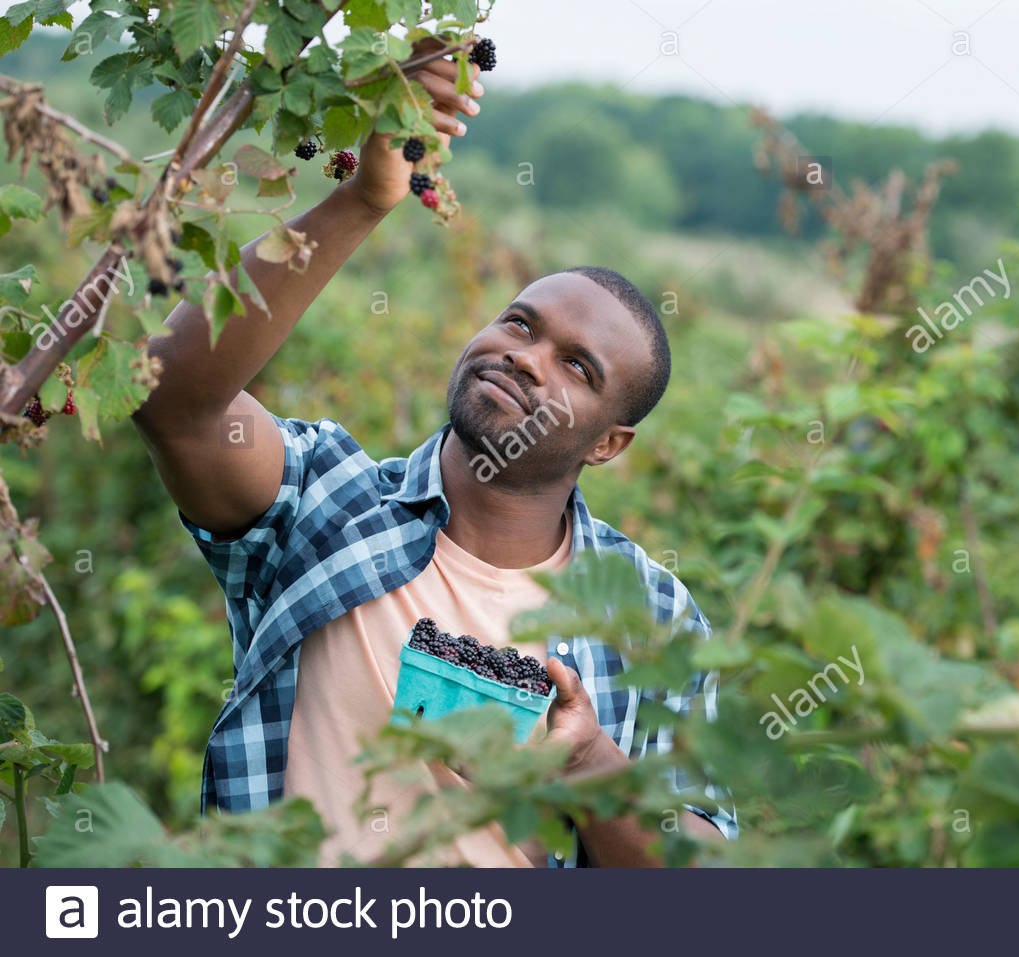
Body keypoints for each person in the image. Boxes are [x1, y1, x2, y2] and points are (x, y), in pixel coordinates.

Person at [129, 37, 737, 868]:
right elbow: (173, 403)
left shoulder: (652, 616)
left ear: (609, 443)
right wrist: (363, 200)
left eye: (577, 366)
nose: (526, 355)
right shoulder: (324, 500)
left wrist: (587, 762)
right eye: (520, 322)